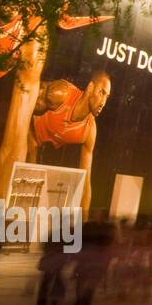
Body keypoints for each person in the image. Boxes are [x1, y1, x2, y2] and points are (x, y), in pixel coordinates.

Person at [27, 72, 111, 211]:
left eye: (107, 97)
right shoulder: (61, 93)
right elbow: (27, 96)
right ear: (90, 87)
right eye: (101, 93)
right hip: (29, 136)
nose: (103, 102)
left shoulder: (89, 131)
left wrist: (84, 223)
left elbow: (86, 182)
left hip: (45, 152)